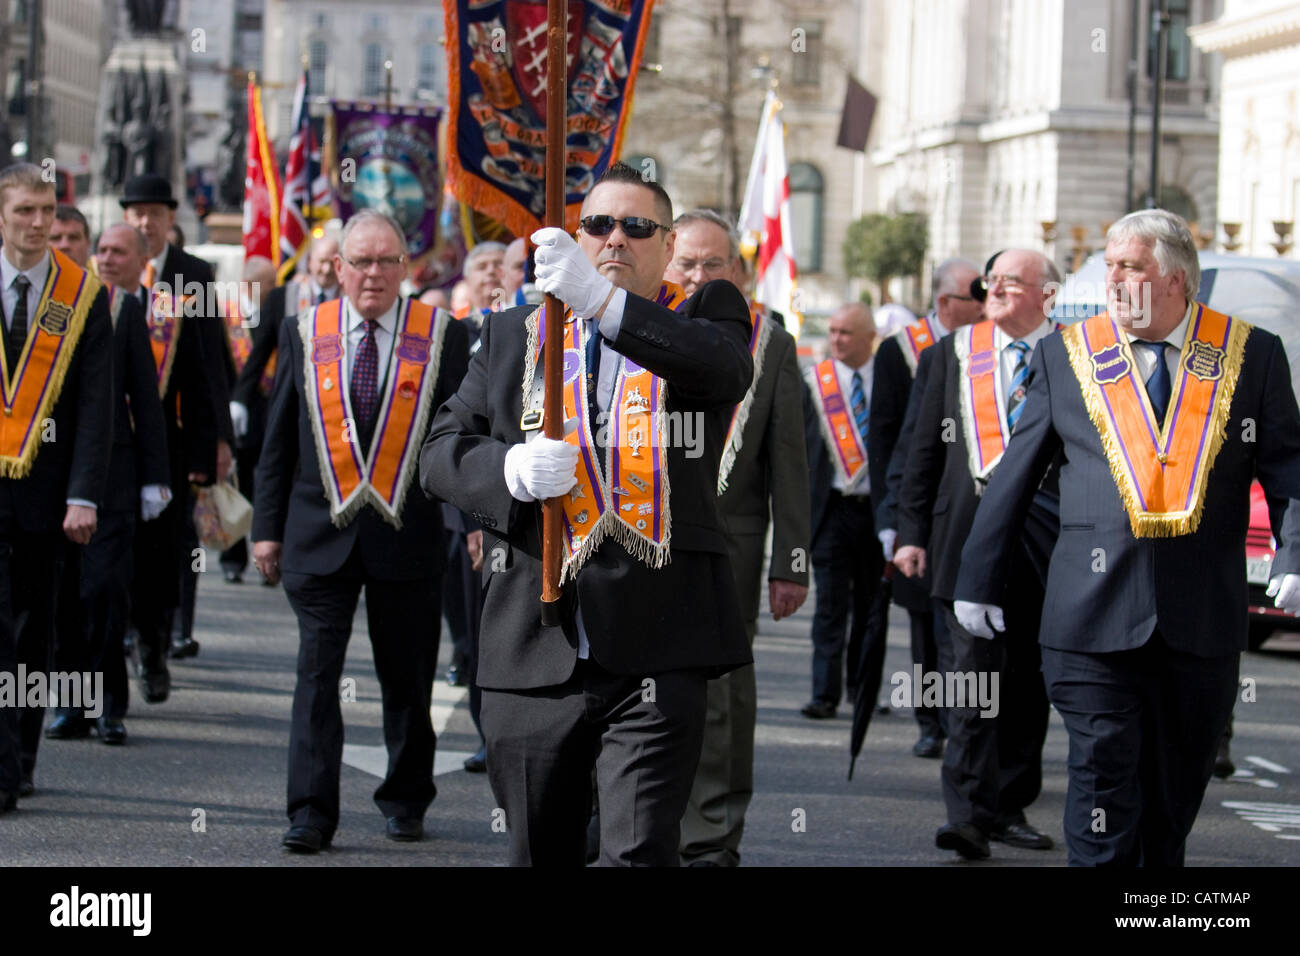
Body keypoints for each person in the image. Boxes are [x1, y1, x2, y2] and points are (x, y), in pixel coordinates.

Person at [420, 161, 753, 866]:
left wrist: (601, 302)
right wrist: (504, 471)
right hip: (534, 641)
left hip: (658, 647)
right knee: (539, 852)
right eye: (599, 225)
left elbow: (722, 370)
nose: (616, 240)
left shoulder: (703, 315)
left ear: (668, 246)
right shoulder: (516, 332)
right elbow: (441, 451)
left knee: (636, 852)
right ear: (575, 235)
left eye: (638, 228)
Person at [954, 210, 1300, 866]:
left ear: (1175, 280)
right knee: (1102, 779)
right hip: (1089, 621)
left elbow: (1287, 465)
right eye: (1109, 265)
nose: (1111, 278)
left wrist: (1295, 548)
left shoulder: (1251, 356)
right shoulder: (1067, 354)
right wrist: (978, 578)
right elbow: (1015, 476)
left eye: (1130, 266)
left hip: (1200, 625)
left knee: (1170, 808)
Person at [251, 209, 470, 853]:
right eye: (361, 261)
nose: (373, 273)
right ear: (338, 268)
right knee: (317, 677)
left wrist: (472, 522)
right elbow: (278, 439)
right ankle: (311, 813)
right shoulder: (303, 331)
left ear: (407, 268)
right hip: (318, 537)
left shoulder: (442, 336)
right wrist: (265, 529)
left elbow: (460, 440)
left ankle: (405, 799)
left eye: (387, 261)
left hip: (408, 535)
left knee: (407, 678)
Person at [894, 248, 1061, 860]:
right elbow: (920, 451)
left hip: (1047, 548)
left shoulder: (1075, 357)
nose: (994, 290)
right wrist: (909, 532)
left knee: (1025, 688)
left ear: (1048, 295)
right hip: (960, 543)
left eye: (1012, 283)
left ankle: (1009, 808)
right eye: (991, 282)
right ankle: (964, 815)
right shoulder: (951, 354)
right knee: (967, 685)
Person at [663, 208, 809, 866]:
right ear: (666, 261)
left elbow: (790, 459)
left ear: (738, 270)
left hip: (731, 542)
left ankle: (711, 838)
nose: (697, 276)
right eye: (686, 263)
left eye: (712, 265)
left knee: (720, 693)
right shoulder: (634, 324)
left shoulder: (771, 342)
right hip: (640, 532)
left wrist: (792, 563)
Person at [0, 163, 112, 810]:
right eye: (24, 211)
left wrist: (85, 494)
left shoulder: (83, 294)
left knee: (31, 631)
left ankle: (22, 750)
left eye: (47, 210)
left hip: (47, 492)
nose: (39, 223)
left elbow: (96, 406)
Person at [45, 219, 170, 746]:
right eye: (94, 248)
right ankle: (72, 704)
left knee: (104, 589)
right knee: (63, 595)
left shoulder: (123, 309)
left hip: (112, 475)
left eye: (91, 243)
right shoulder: (45, 304)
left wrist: (155, 476)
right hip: (50, 471)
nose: (98, 256)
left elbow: (145, 397)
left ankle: (109, 704)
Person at [870, 259, 983, 758]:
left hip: (964, 510)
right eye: (974, 295)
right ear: (945, 303)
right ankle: (930, 720)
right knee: (923, 626)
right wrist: (891, 519)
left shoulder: (982, 351)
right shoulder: (903, 351)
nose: (984, 304)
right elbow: (887, 439)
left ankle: (965, 725)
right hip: (918, 507)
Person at [121, 172, 232, 662]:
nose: (145, 221)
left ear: (170, 219)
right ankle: (124, 631)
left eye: (155, 213)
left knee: (173, 541)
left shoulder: (193, 274)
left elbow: (211, 364)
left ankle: (167, 632)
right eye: (136, 213)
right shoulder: (111, 270)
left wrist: (215, 444)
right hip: (116, 436)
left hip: (176, 435)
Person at [801, 303, 883, 720]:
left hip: (877, 514)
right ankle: (824, 693)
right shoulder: (816, 383)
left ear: (870, 336)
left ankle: (863, 691)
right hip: (832, 511)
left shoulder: (890, 382)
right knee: (831, 606)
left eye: (846, 332)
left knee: (871, 608)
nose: (835, 339)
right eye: (832, 331)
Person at [231, 237, 341, 531]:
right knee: (280, 469)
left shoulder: (350, 298)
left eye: (332, 261)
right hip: (290, 400)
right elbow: (260, 351)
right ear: (310, 263)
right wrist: (240, 399)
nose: (326, 269)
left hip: (336, 403)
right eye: (320, 261)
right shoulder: (284, 297)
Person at [217, 255, 277, 583]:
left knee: (267, 485)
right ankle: (232, 557)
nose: (273, 289)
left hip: (268, 412)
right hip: (236, 413)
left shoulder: (277, 313)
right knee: (237, 485)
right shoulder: (228, 318)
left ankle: (268, 557)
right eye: (269, 284)